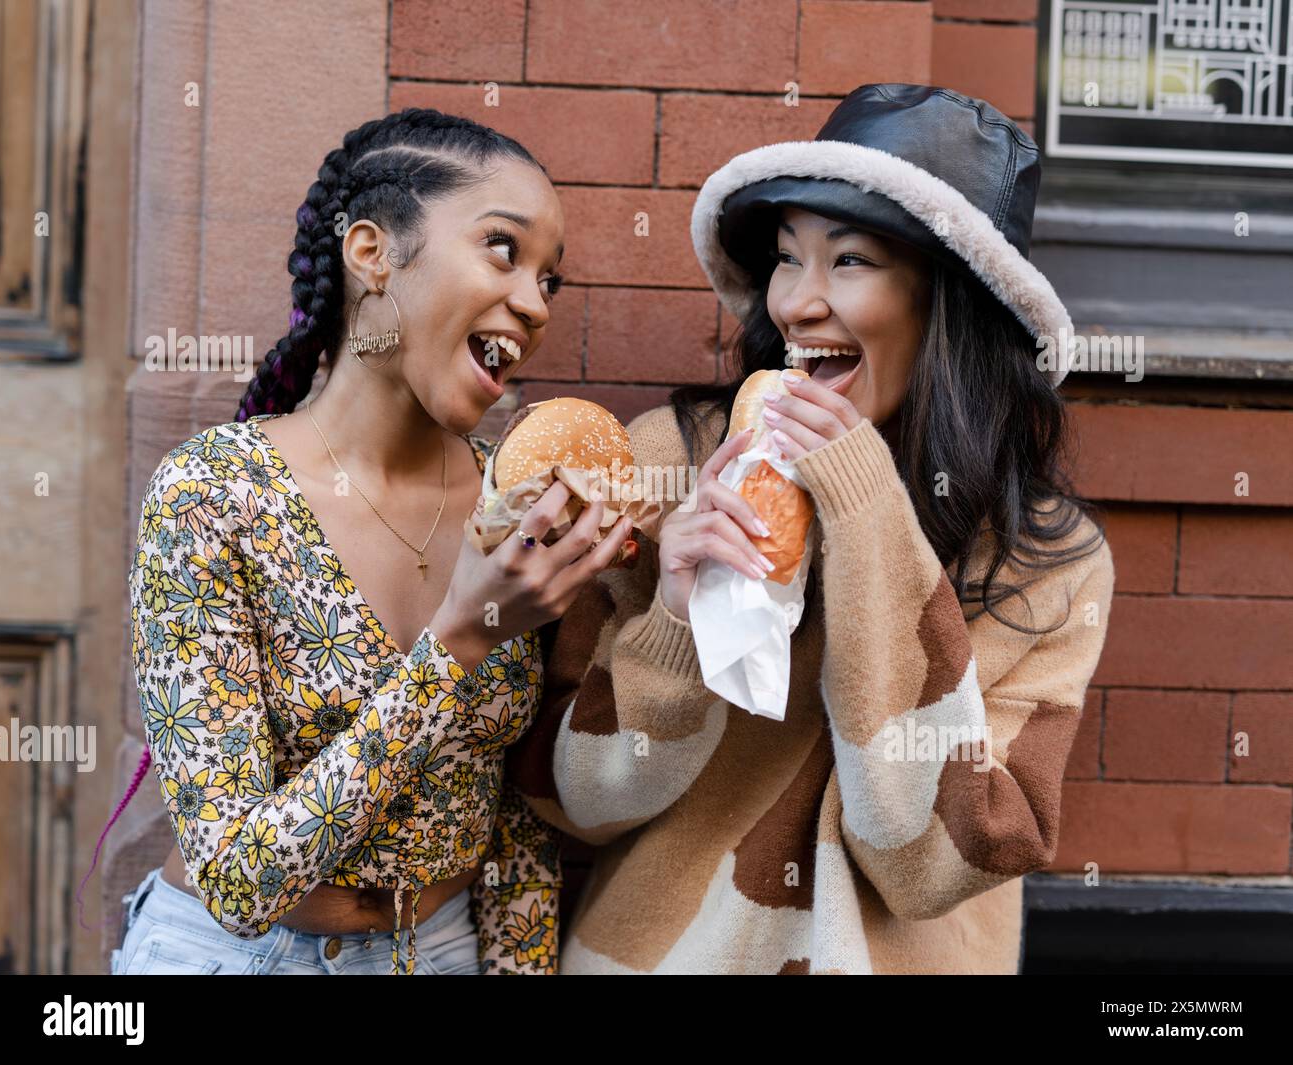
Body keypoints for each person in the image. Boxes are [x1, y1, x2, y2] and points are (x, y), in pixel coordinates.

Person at [510, 84, 1116, 974]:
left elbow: (935, 865)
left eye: (851, 262)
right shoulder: (674, 462)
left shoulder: (1045, 558)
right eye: (789, 259)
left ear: (947, 304)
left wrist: (867, 507)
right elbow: (572, 802)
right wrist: (677, 624)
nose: (798, 303)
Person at [100, 107, 632, 975]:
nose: (535, 304)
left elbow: (517, 810)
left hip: (441, 948)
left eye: (551, 280)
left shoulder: (522, 499)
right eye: (504, 249)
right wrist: (460, 642)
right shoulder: (213, 494)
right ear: (371, 251)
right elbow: (239, 881)